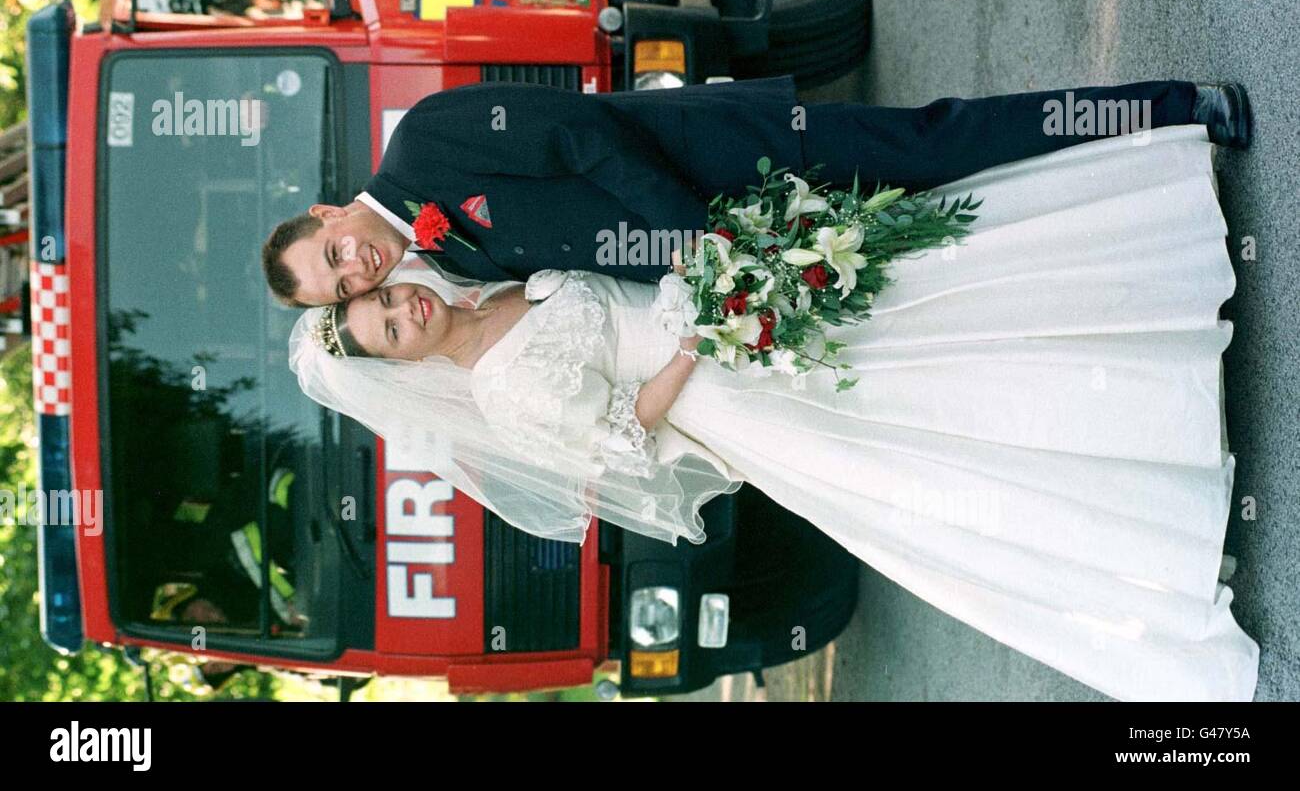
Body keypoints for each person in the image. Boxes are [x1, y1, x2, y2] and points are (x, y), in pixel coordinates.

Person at [287, 121, 1259, 701]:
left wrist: (708, 276)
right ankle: (1154, 499)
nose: (398, 308)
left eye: (380, 299)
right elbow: (626, 439)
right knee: (928, 441)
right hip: (731, 389)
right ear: (401, 366)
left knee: (931, 329)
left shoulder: (488, 284)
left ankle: (1143, 333)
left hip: (735, 317)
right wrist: (695, 338)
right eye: (387, 331)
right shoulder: (499, 395)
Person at [260, 74, 1251, 307]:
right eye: (341, 286)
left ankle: (1174, 109)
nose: (359, 267)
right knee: (939, 236)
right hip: (729, 240)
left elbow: (581, 132)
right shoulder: (446, 263)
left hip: (730, 153)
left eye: (335, 253)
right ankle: (1148, 213)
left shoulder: (423, 139)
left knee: (935, 144)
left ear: (326, 214)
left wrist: (690, 239)